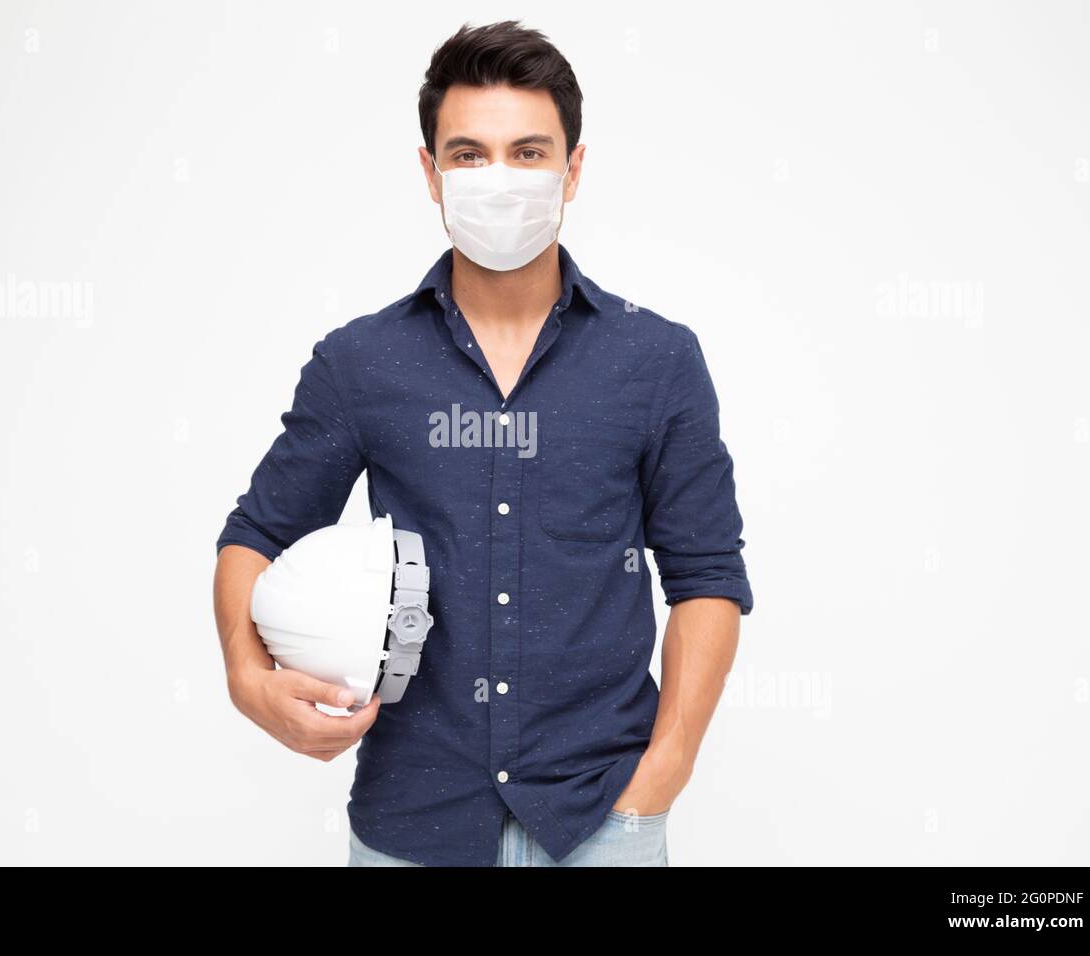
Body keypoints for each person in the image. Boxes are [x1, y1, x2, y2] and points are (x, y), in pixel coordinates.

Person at [212, 19, 753, 867]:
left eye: (528, 152)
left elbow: (708, 577)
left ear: (574, 168)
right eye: (468, 154)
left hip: (602, 819)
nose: (498, 178)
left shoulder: (657, 361)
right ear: (430, 172)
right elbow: (257, 535)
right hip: (410, 821)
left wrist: (665, 772)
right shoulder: (360, 363)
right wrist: (250, 680)